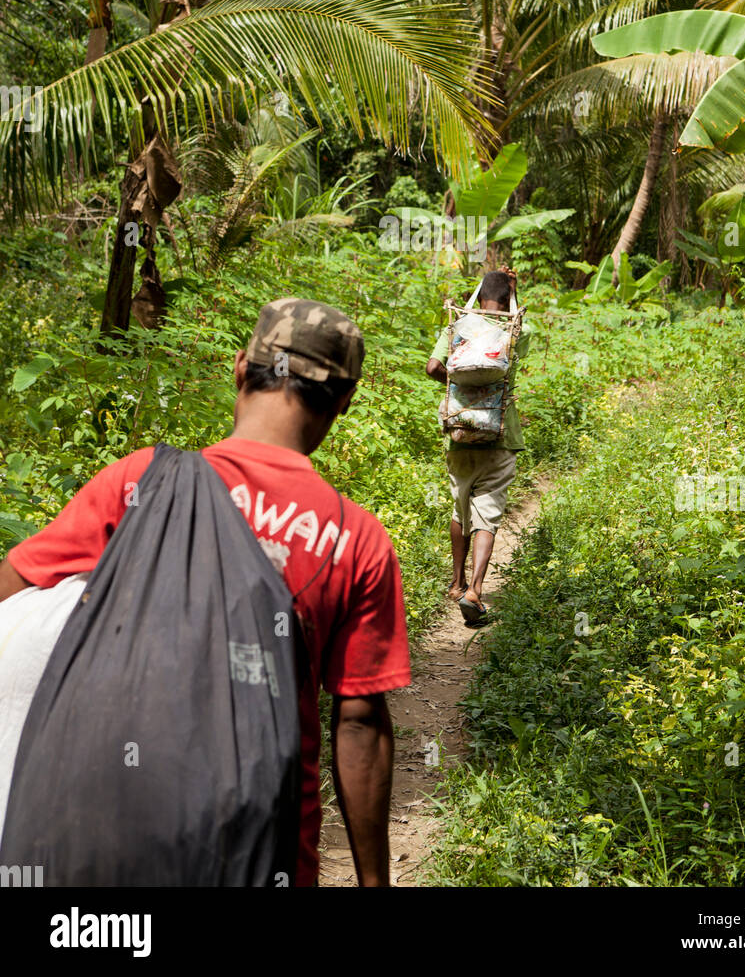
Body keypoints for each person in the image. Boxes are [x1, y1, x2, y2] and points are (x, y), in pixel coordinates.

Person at [0, 297, 410, 888]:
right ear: (343, 402)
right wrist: (374, 881)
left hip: (107, 830)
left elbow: (15, 595)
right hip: (260, 849)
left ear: (241, 368)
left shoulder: (140, 483)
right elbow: (360, 724)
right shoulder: (356, 540)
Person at [425, 268, 530, 626]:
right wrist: (513, 293)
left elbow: (432, 367)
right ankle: (475, 591)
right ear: (507, 298)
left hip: (459, 434)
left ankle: (455, 584)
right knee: (488, 512)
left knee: (460, 509)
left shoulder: (457, 326)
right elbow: (514, 348)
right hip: (499, 436)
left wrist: (458, 385)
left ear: (479, 293)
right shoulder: (517, 331)